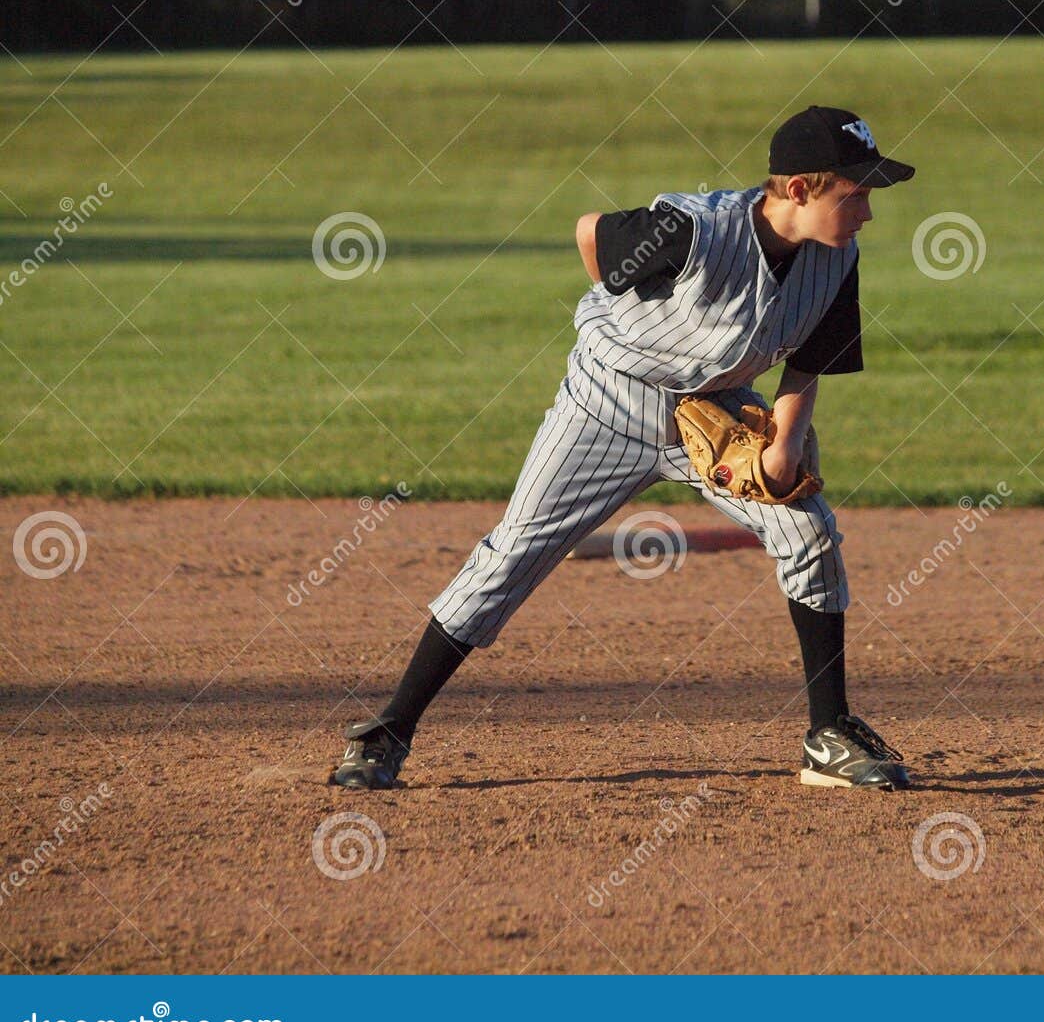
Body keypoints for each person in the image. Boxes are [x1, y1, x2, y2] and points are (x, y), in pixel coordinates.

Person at [331, 106, 914, 792]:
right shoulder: (695, 229)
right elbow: (590, 234)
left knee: (809, 531)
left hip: (716, 406)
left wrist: (784, 443)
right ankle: (388, 732)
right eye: (856, 193)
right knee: (514, 554)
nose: (867, 211)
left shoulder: (836, 259)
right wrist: (624, 320)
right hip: (608, 401)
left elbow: (809, 361)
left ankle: (829, 734)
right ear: (798, 191)